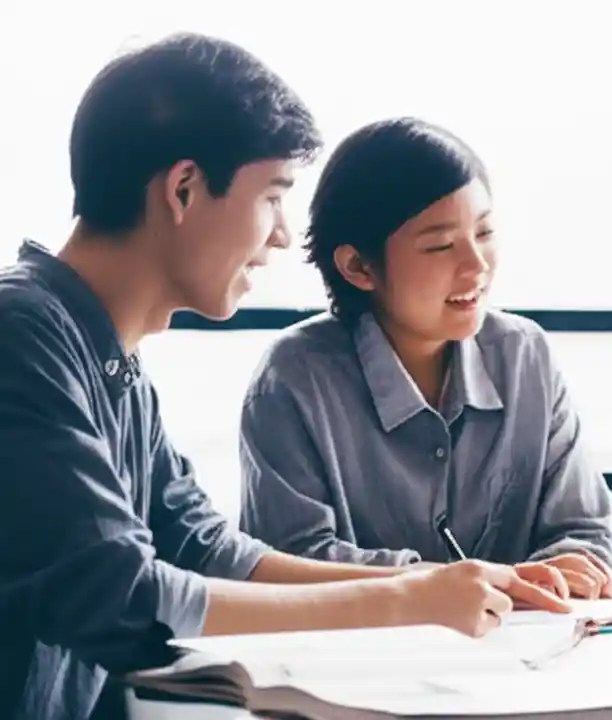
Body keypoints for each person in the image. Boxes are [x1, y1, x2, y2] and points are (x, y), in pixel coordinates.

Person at [0, 34, 568, 720]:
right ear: (183, 189)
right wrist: (403, 602)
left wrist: (433, 584)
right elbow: (123, 597)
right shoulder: (23, 335)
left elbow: (203, 547)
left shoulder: (106, 355)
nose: (281, 236)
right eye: (272, 196)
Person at [237, 117, 612, 599]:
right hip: (354, 667)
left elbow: (588, 535)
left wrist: (564, 571)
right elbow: (289, 563)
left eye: (484, 233)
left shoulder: (526, 356)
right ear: (358, 266)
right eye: (441, 245)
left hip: (522, 654)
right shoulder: (293, 378)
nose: (476, 265)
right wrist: (461, 586)